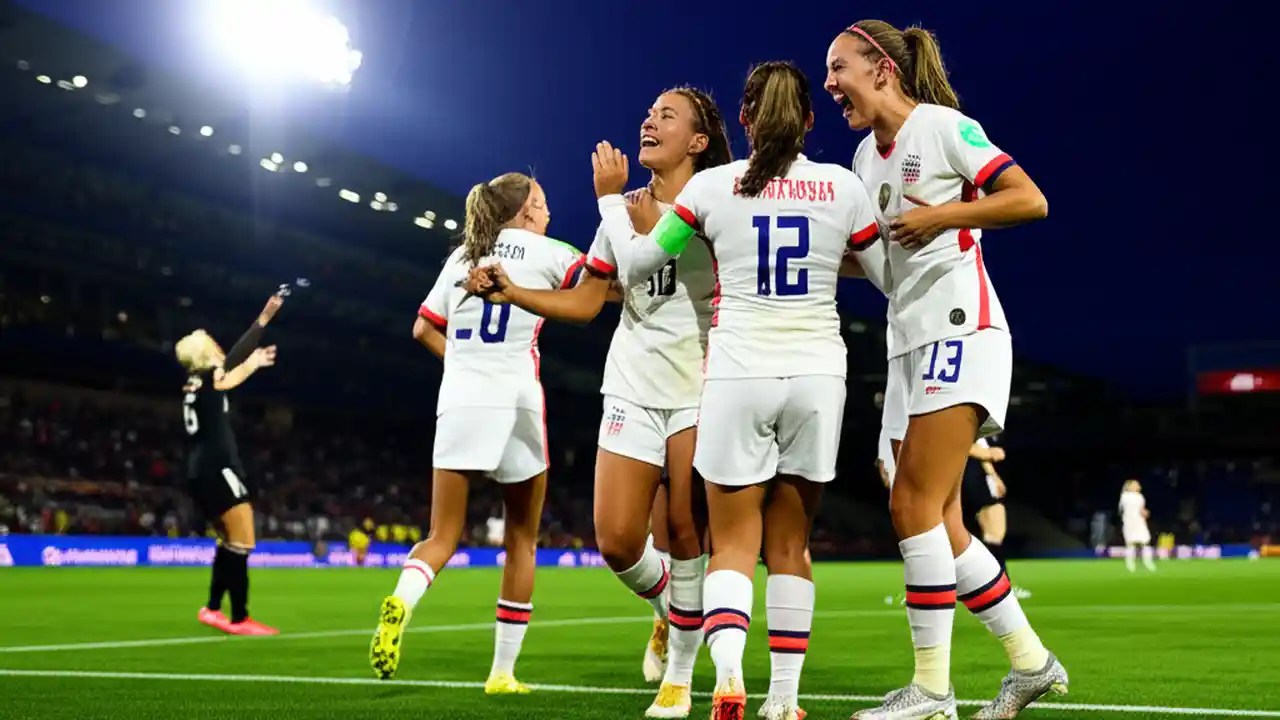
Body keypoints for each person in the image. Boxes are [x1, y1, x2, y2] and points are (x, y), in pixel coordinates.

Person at [591, 61, 884, 720]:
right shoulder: (841, 186)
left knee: (728, 543)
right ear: (809, 119)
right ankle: (784, 699)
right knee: (789, 545)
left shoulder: (710, 190)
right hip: (816, 375)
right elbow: (884, 271)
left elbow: (637, 264)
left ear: (745, 121)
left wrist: (611, 199)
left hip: (735, 373)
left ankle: (726, 677)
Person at [825, 20, 1067, 720]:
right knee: (946, 528)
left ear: (882, 70)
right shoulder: (863, 163)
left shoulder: (944, 129)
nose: (831, 82)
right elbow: (878, 265)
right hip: (907, 344)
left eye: (840, 67)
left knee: (910, 506)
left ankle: (931, 690)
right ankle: (1031, 664)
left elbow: (1029, 197)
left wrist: (947, 216)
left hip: (962, 331)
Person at [468, 87, 732, 718]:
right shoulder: (621, 210)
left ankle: (681, 679)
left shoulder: (719, 199)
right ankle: (672, 615)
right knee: (616, 540)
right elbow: (588, 303)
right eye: (648, 112)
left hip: (700, 384)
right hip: (634, 385)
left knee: (687, 530)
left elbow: (676, 265)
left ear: (697, 142)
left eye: (667, 116)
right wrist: (513, 293)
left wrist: (619, 208)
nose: (648, 120)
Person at [368, 172, 585, 695]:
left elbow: (423, 327)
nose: (548, 212)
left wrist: (462, 365)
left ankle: (402, 599)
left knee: (441, 535)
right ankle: (502, 673)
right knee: (521, 541)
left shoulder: (462, 256)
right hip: (516, 395)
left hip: (461, 394)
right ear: (528, 210)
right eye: (544, 202)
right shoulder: (549, 249)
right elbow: (602, 287)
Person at [179, 294, 283, 636]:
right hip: (218, 467)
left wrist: (253, 365)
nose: (216, 343)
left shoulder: (196, 384)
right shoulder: (209, 375)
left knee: (228, 542)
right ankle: (240, 618)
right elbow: (233, 359)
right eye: (210, 341)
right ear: (204, 353)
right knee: (243, 541)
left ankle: (212, 609)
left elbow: (230, 377)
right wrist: (264, 319)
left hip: (198, 471)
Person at [1118, 480, 1156, 572]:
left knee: (1145, 541)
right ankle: (1130, 564)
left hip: (1140, 522)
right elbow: (1122, 509)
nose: (1138, 486)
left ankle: (1148, 562)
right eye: (1135, 484)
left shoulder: (1140, 497)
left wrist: (1145, 513)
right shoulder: (1125, 496)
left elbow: (1141, 509)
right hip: (1129, 522)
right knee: (1130, 543)